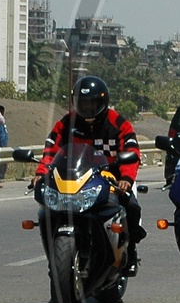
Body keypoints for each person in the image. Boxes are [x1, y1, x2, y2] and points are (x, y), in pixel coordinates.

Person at [35, 75, 145, 273]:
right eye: (82, 103)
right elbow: (50, 150)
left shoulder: (119, 123)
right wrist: (41, 173)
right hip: (74, 178)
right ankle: (56, 261)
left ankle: (130, 249)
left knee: (132, 207)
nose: (87, 107)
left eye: (92, 102)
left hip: (111, 177)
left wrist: (126, 179)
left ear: (103, 101)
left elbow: (132, 151)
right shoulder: (66, 123)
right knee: (47, 209)